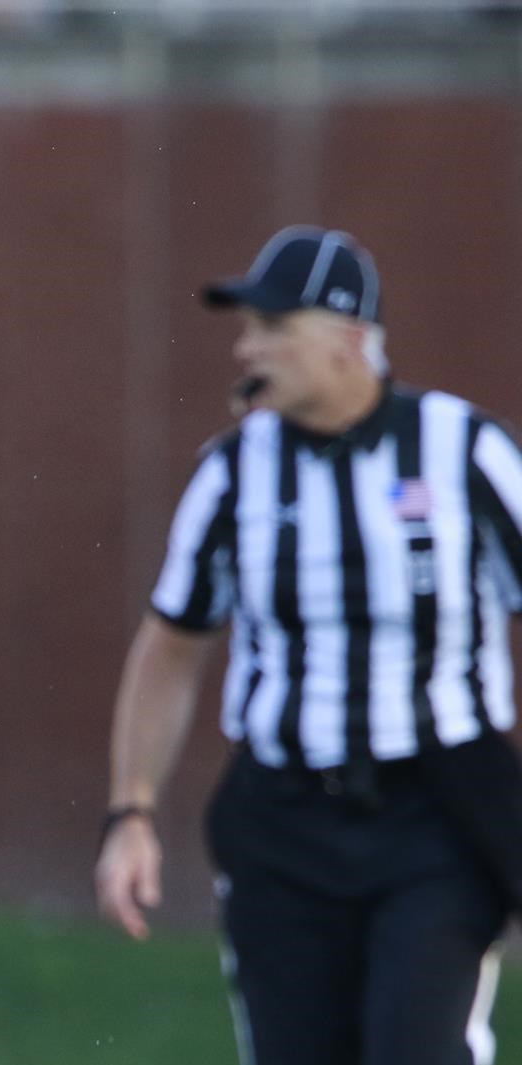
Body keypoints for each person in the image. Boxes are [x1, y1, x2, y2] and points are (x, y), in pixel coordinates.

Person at [95, 225, 520, 1064]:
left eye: (274, 329)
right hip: (284, 815)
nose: (249, 348)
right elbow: (172, 643)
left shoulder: (465, 451)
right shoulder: (233, 473)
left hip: (439, 809)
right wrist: (131, 810)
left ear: (350, 341)